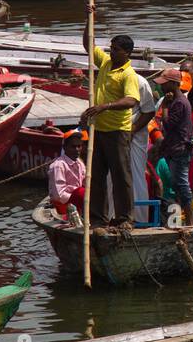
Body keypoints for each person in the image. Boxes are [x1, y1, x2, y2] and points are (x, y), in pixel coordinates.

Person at [80, 29, 140, 227]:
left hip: (117, 132)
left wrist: (104, 106)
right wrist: (89, 18)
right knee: (96, 176)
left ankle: (124, 218)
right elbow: (88, 44)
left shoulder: (128, 74)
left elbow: (131, 100)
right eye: (111, 48)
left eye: (115, 49)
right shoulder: (106, 63)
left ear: (126, 53)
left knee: (121, 177)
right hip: (98, 130)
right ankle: (98, 219)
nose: (111, 52)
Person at [106, 67, 158, 225]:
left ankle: (138, 220)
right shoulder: (108, 80)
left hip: (134, 136)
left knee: (135, 176)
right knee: (111, 176)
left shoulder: (140, 82)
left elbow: (149, 111)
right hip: (112, 134)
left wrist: (132, 130)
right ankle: (111, 218)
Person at [150, 68, 193, 226]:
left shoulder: (179, 103)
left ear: (174, 84)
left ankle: (190, 220)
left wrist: (166, 106)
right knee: (177, 185)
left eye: (165, 84)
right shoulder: (178, 100)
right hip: (175, 149)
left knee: (182, 185)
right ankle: (180, 220)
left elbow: (168, 124)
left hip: (180, 150)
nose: (162, 87)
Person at [48, 129, 87, 217]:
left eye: (79, 146)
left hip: (78, 202)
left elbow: (85, 183)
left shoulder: (80, 163)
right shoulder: (58, 166)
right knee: (81, 192)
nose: (77, 149)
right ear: (65, 147)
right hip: (64, 205)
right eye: (73, 146)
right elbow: (59, 196)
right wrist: (80, 198)